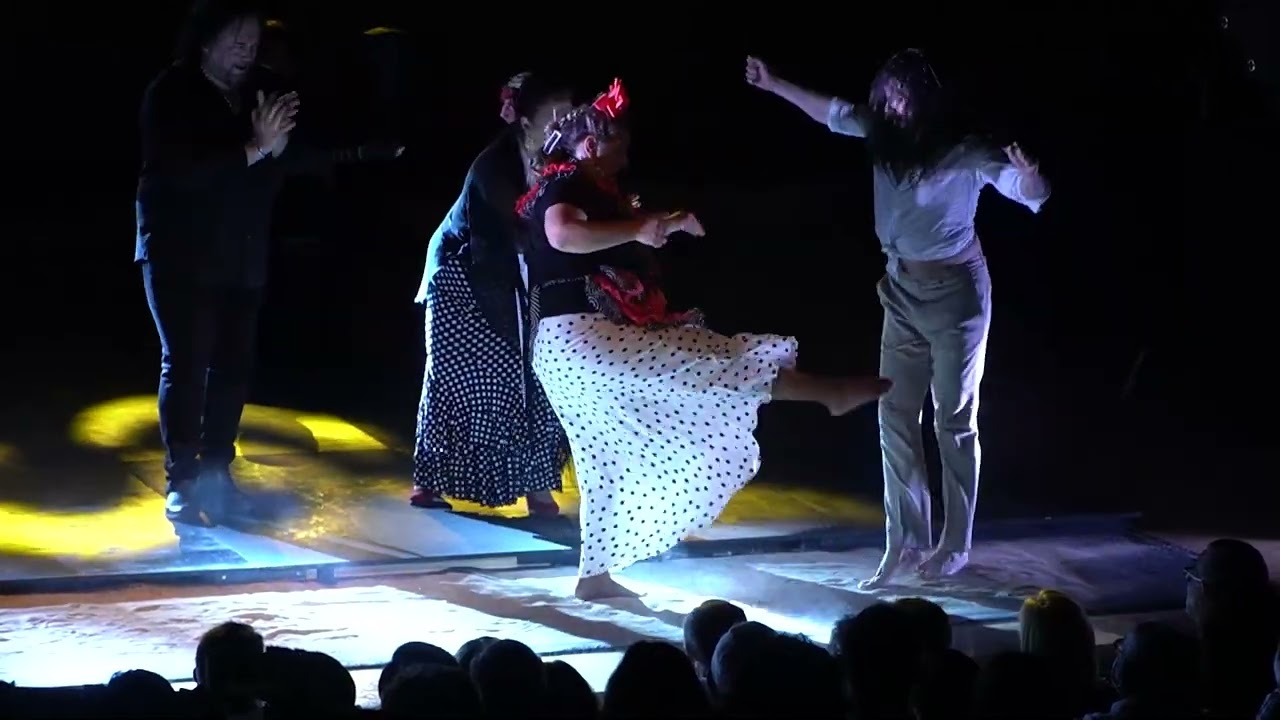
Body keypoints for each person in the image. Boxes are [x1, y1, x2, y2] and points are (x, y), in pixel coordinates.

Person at [517, 79, 891, 600]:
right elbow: (563, 235)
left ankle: (594, 575)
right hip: (580, 338)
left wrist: (665, 222)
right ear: (591, 145)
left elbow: (615, 237)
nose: (624, 160)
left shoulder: (588, 190)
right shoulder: (565, 186)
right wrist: (643, 227)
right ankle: (824, 393)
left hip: (561, 350)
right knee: (707, 361)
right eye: (618, 148)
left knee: (605, 453)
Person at [745, 50, 1051, 587]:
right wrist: (774, 86)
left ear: (924, 102)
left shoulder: (963, 150)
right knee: (894, 414)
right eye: (882, 96)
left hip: (956, 294)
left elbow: (1025, 192)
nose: (886, 106)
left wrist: (1032, 179)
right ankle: (904, 543)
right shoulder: (880, 134)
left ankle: (952, 545)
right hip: (901, 290)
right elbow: (830, 111)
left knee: (953, 418)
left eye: (897, 97)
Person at [136, 0, 401, 525]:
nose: (246, 51)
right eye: (236, 41)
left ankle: (217, 472)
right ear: (206, 42)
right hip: (178, 251)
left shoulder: (265, 89)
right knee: (186, 364)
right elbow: (179, 173)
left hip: (242, 250)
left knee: (233, 368)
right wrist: (254, 148)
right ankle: (182, 480)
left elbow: (302, 149)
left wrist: (366, 150)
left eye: (253, 42)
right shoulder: (172, 93)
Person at [410, 72, 574, 513]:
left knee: (537, 375)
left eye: (570, 114)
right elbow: (520, 231)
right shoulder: (493, 166)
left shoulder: (566, 160)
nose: (566, 124)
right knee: (460, 380)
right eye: (555, 116)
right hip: (462, 274)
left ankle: (537, 484)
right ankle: (430, 481)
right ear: (525, 123)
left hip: (519, 273)